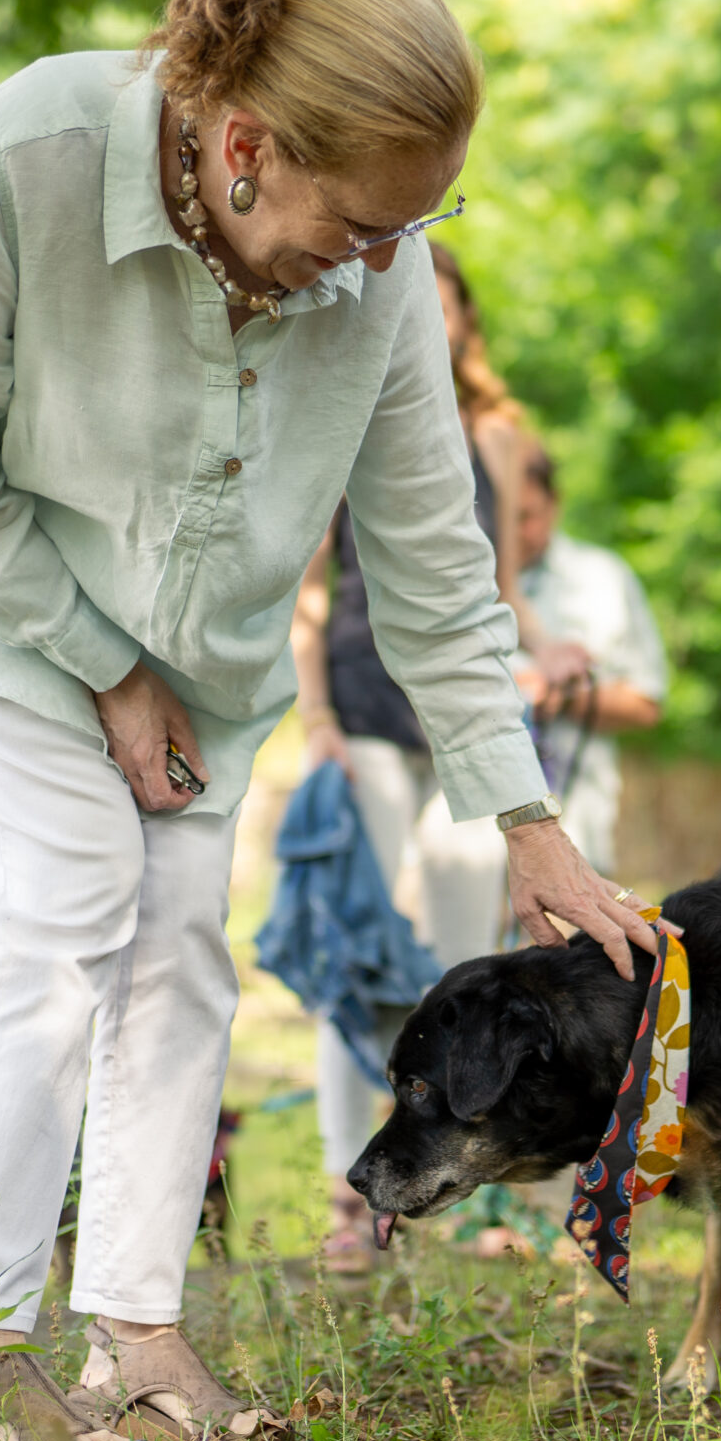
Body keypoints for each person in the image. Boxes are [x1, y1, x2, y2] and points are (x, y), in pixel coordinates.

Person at [0, 0, 656, 1441]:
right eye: (361, 223)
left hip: (198, 620)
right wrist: (97, 666)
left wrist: (529, 822)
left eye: (421, 227)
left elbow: (431, 567)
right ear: (247, 144)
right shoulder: (28, 157)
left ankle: (139, 1337)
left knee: (178, 948)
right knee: (68, 901)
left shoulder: (383, 276)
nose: (387, 259)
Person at [286, 244, 581, 1269]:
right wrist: (314, 714)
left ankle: (479, 1185)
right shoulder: (334, 399)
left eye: (445, 303)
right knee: (361, 962)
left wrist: (546, 652)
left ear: (462, 320)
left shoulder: (495, 439)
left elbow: (496, 583)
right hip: (363, 708)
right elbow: (309, 589)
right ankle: (346, 1197)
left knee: (464, 973)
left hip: (458, 715)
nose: (429, 317)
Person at [512, 448, 667, 873]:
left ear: (554, 504)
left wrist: (559, 696)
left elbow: (647, 703)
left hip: (577, 825)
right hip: (465, 844)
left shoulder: (603, 579)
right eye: (501, 516)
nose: (514, 532)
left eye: (526, 516)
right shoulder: (454, 585)